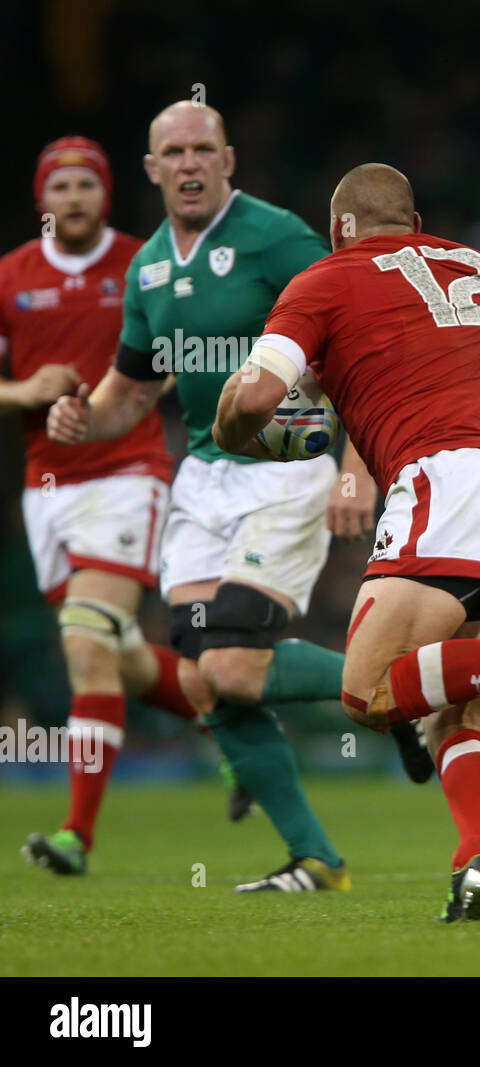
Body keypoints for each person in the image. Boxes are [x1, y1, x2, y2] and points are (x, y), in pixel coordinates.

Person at [212, 163, 480, 921]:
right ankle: (477, 864)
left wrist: (232, 429)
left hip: (447, 483)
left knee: (366, 690)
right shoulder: (477, 263)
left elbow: (254, 396)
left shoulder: (323, 279)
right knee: (460, 713)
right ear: (413, 225)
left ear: (340, 226)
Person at [46, 103, 366, 892]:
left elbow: (355, 350)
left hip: (286, 467)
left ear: (229, 159)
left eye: (202, 149)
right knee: (201, 679)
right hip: (204, 477)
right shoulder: (150, 265)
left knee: (227, 663)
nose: (188, 164)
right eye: (172, 153)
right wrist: (82, 418)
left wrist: (357, 465)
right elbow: (131, 388)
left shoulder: (277, 237)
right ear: (151, 170)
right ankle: (317, 858)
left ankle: (392, 677)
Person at [2, 135, 229, 875]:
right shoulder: (10, 277)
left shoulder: (145, 261)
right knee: (118, 652)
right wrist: (24, 393)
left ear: (106, 193)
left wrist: (126, 396)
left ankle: (75, 834)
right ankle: (229, 722)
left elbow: (180, 351)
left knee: (86, 643)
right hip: (49, 490)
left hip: (128, 473)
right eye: (60, 186)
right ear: (43, 197)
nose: (73, 198)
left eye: (86, 185)